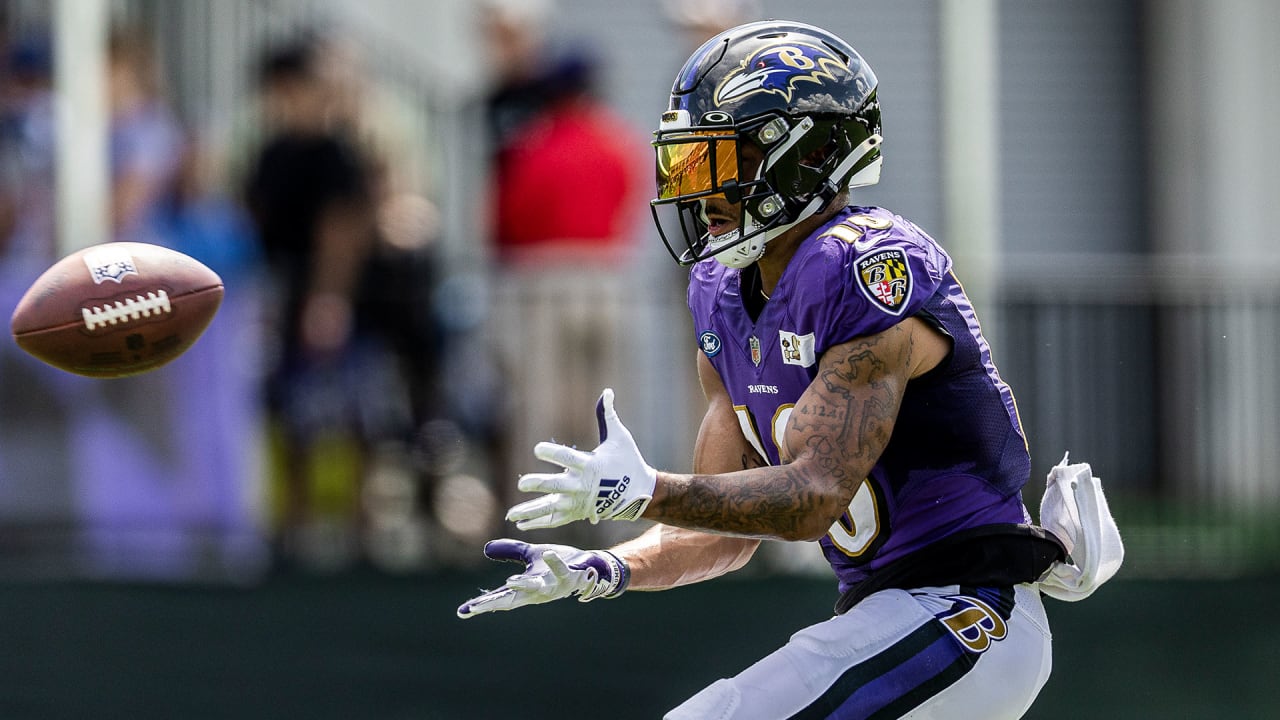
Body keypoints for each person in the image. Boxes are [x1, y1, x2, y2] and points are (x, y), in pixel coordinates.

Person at [457, 20, 1124, 719]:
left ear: (806, 156)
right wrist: (609, 566)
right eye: (689, 163)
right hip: (891, 613)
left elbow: (812, 496)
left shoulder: (862, 267)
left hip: (967, 609)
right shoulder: (720, 291)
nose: (700, 189)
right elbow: (719, 526)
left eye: (724, 161)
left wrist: (642, 489)